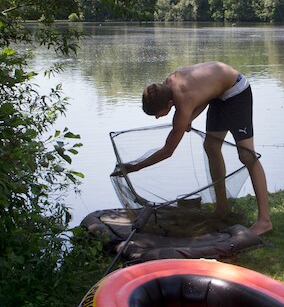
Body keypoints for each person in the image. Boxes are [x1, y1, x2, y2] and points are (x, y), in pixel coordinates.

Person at [115, 61, 272, 236]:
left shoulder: (183, 98)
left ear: (169, 104)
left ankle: (264, 221)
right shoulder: (168, 84)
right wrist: (191, 115)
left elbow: (168, 150)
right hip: (218, 95)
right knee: (211, 146)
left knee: (246, 155)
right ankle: (221, 207)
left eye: (158, 113)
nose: (158, 118)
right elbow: (204, 93)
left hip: (236, 91)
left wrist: (136, 167)